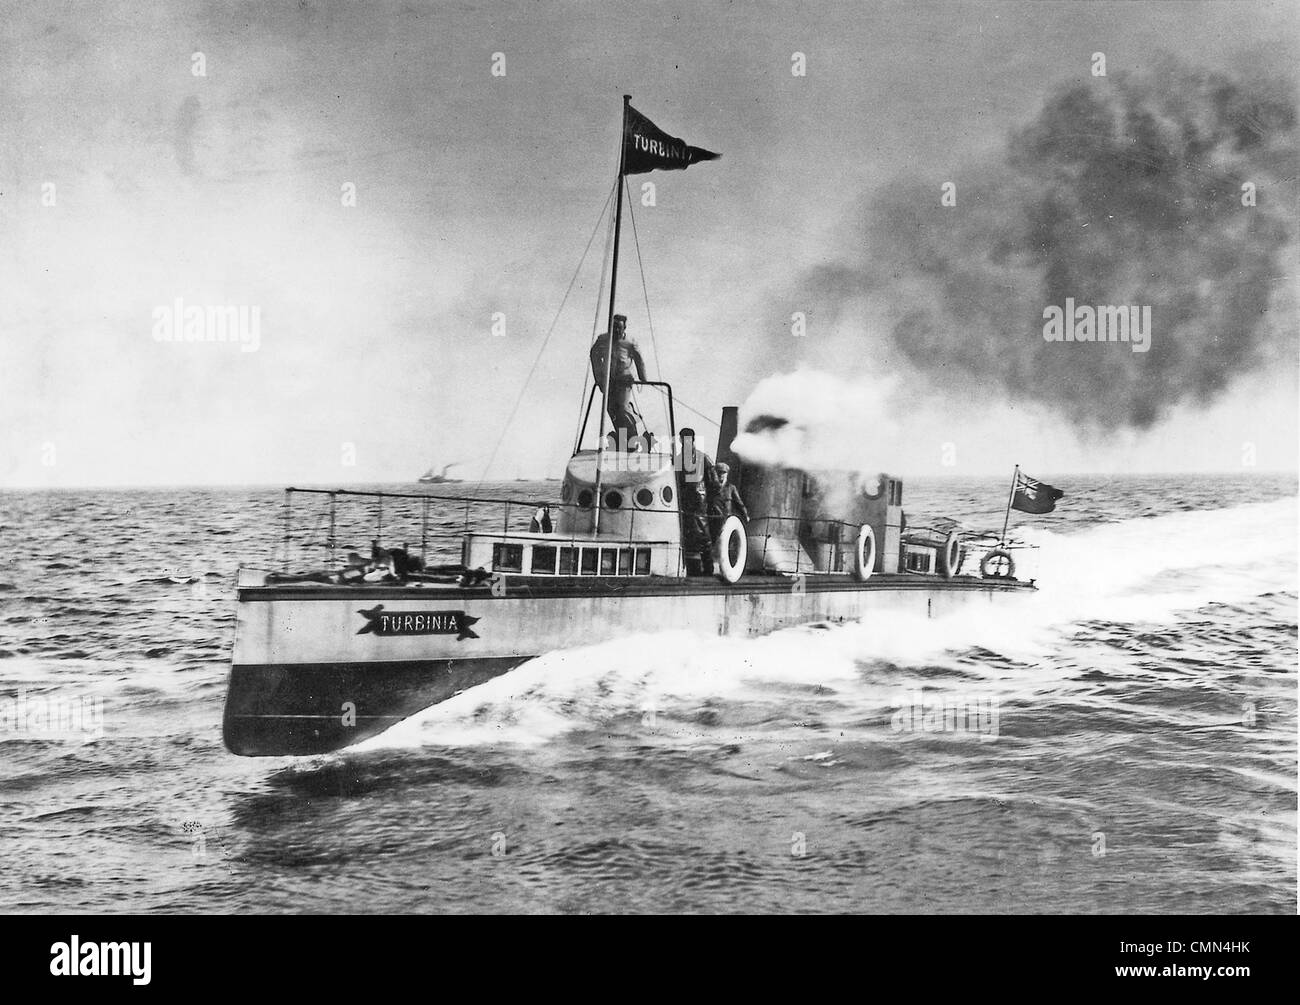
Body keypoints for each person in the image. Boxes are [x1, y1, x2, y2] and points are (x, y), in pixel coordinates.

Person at [589, 314, 648, 449]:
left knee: (621, 408)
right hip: (609, 381)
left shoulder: (630, 342)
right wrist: (599, 377)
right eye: (613, 327)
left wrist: (643, 378)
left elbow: (639, 360)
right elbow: (594, 355)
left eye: (618, 328)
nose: (615, 330)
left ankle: (633, 439)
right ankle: (624, 440)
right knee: (611, 409)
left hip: (624, 380)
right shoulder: (603, 339)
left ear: (624, 328)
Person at [676, 427, 713, 575]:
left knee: (695, 538)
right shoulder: (702, 458)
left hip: (691, 504)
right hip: (695, 504)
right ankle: (703, 571)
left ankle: (698, 571)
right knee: (700, 539)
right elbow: (714, 483)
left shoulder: (680, 459)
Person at [707, 462, 749, 542]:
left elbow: (739, 503)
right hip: (712, 519)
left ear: (727, 474)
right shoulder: (711, 487)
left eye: (723, 473)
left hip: (725, 520)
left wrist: (745, 515)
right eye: (719, 472)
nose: (721, 475)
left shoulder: (731, 488)